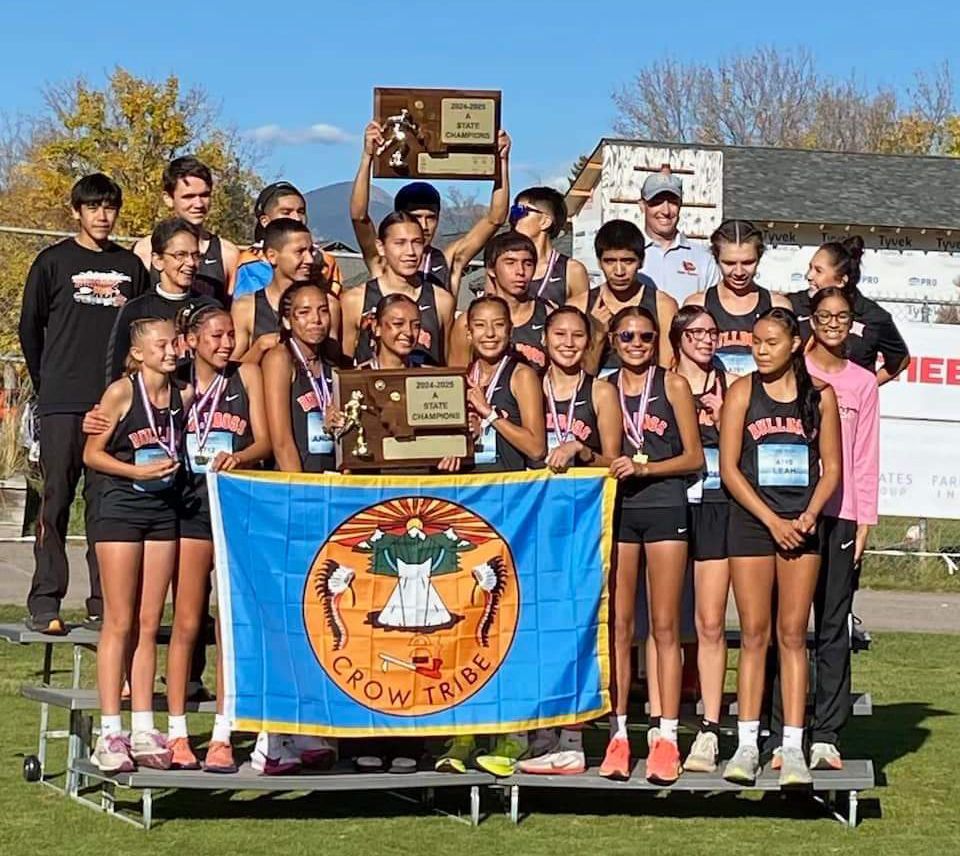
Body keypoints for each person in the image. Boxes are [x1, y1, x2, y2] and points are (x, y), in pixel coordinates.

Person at [18, 173, 149, 634]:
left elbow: (142, 330)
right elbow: (29, 329)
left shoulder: (131, 268)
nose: (102, 216)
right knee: (55, 499)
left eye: (110, 207)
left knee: (105, 504)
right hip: (61, 402)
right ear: (77, 212)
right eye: (93, 207)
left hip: (113, 404)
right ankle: (45, 600)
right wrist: (48, 383)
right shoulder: (52, 262)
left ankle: (103, 601)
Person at [719, 308, 841, 787]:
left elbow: (831, 467)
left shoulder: (821, 397)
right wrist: (771, 520)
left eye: (771, 341)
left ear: (794, 344)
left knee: (793, 635)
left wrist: (808, 515)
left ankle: (793, 745)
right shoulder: (741, 392)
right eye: (756, 341)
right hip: (752, 522)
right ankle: (747, 743)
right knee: (754, 635)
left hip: (802, 525)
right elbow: (729, 468)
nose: (760, 349)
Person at [766, 287, 878, 772]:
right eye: (825, 316)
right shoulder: (795, 375)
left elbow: (865, 458)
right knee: (783, 627)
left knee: (832, 628)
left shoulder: (862, 383)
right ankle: (778, 730)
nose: (833, 324)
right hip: (793, 514)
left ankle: (826, 734)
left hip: (841, 515)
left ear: (852, 324)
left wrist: (864, 522)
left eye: (843, 317)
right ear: (811, 321)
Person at [434, 295, 546, 777]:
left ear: (510, 330)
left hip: (511, 509)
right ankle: (464, 728)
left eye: (497, 325)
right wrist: (449, 450)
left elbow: (537, 446)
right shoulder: (451, 379)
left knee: (504, 620)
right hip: (466, 509)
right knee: (464, 620)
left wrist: (490, 413)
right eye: (479, 326)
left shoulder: (521, 376)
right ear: (467, 332)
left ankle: (511, 731)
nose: (488, 334)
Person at [516, 305, 622, 775]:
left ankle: (573, 736)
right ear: (545, 337)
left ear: (589, 341)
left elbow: (615, 462)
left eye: (578, 335)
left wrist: (582, 449)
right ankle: (539, 731)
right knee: (533, 623)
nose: (568, 343)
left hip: (580, 526)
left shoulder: (600, 391)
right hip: (531, 522)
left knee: (577, 625)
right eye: (559, 334)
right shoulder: (529, 386)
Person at [600, 307, 703, 785]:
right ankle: (618, 734)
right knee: (619, 626)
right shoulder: (603, 387)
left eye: (645, 335)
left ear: (656, 339)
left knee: (664, 626)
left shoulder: (674, 384)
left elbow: (693, 456)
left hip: (664, 506)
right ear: (613, 340)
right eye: (627, 335)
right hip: (617, 511)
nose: (636, 343)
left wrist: (644, 469)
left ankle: (666, 737)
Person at [169, 306, 271, 772]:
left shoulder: (245, 376)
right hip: (189, 510)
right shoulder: (178, 383)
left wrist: (243, 457)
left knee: (230, 622)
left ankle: (223, 733)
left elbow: (265, 441)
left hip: (234, 507)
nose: (226, 343)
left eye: (231, 334)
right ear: (191, 340)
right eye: (215, 335)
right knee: (189, 621)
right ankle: (174, 732)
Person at [83, 317, 188, 773]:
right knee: (119, 622)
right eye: (161, 345)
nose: (171, 350)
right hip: (120, 509)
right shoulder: (122, 392)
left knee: (149, 623)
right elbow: (92, 453)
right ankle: (110, 731)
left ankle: (144, 725)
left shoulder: (181, 395)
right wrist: (136, 473)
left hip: (163, 510)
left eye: (174, 342)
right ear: (140, 352)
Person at [253, 282, 344, 774]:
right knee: (284, 618)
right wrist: (299, 493)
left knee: (314, 617)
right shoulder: (279, 360)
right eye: (304, 312)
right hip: (294, 498)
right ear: (286, 319)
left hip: (329, 495)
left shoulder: (329, 368)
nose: (315, 319)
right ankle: (271, 737)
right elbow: (282, 439)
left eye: (322, 311)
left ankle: (308, 727)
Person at [668, 306, 735, 773]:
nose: (707, 340)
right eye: (696, 333)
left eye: (712, 333)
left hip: (716, 507)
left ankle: (709, 727)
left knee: (710, 622)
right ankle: (662, 725)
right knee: (663, 625)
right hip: (666, 507)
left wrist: (723, 415)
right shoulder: (661, 382)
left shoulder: (731, 386)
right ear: (678, 338)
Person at [350, 123, 511, 297]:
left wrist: (501, 160)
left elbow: (496, 218)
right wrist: (367, 157)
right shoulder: (382, 261)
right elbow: (359, 217)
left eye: (431, 218)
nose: (424, 226)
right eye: (416, 217)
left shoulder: (448, 260)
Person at [105, 219, 220, 384]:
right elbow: (116, 370)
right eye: (180, 255)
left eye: (195, 256)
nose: (190, 263)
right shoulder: (137, 309)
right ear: (158, 260)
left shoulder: (211, 309)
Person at [341, 213, 455, 367]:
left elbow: (446, 363)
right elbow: (344, 366)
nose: (410, 252)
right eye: (400, 243)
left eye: (417, 243)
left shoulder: (442, 300)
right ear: (381, 247)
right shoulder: (355, 300)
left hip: (423, 389)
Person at [791, 236, 909, 383]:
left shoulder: (873, 316)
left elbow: (900, 359)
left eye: (818, 271)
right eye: (810, 268)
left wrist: (864, 388)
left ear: (841, 281)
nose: (809, 276)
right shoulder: (793, 305)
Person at [685, 220, 792, 377]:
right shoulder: (697, 304)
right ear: (716, 259)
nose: (739, 272)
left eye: (748, 262)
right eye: (729, 263)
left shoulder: (777, 305)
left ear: (759, 257)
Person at [569, 220, 677, 374]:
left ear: (641, 262)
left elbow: (666, 371)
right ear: (599, 263)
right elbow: (579, 378)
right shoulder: (579, 306)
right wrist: (599, 335)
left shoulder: (663, 306)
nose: (619, 271)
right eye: (610, 261)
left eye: (628, 261)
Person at [133, 156, 239, 304]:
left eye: (204, 195)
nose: (198, 204)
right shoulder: (144, 250)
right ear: (168, 198)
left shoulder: (227, 253)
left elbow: (232, 313)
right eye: (188, 197)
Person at [231, 218, 340, 361]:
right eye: (299, 252)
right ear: (272, 256)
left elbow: (335, 363)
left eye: (311, 251)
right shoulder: (246, 307)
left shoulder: (328, 304)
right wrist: (260, 347)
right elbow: (233, 371)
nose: (309, 260)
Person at [448, 231, 551, 370]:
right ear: (491, 269)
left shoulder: (549, 316)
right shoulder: (467, 322)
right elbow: (457, 381)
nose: (520, 271)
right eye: (510, 263)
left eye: (527, 263)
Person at [231, 181, 344, 301]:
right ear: (265, 221)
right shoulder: (248, 263)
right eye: (286, 212)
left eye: (301, 212)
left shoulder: (326, 262)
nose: (296, 218)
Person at [639, 166, 719, 304]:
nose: (666, 211)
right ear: (642, 206)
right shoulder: (627, 256)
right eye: (657, 202)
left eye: (672, 202)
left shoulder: (704, 259)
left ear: (681, 205)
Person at [510, 186, 589, 306]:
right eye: (514, 211)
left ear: (545, 222)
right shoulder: (504, 266)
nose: (514, 218)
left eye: (521, 211)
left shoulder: (572, 270)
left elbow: (581, 320)